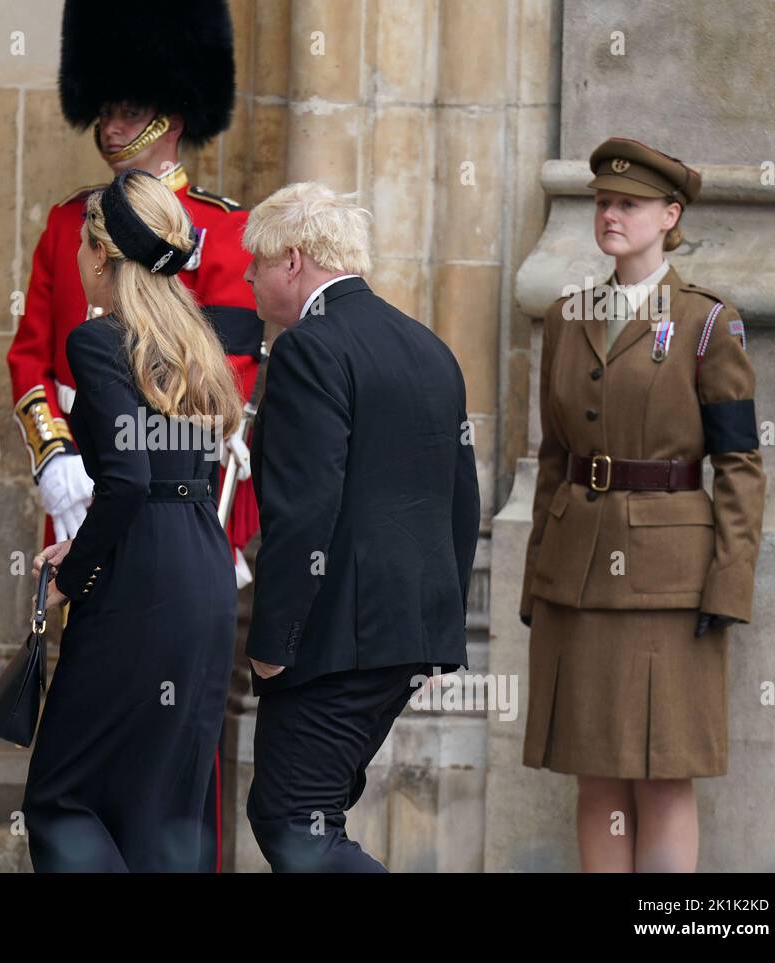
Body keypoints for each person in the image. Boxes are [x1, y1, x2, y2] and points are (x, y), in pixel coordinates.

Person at [7, 0, 260, 871]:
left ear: (172, 114)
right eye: (105, 106)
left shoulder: (224, 232)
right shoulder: (64, 222)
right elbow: (29, 360)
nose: (111, 124)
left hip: (177, 504)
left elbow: (234, 395)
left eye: (129, 108)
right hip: (86, 490)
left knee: (169, 752)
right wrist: (55, 463)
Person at [519, 137, 766, 872]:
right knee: (596, 769)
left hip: (668, 580)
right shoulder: (568, 317)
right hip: (578, 572)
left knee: (662, 771)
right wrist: (538, 574)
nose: (609, 215)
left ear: (670, 215)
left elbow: (740, 465)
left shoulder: (708, 323)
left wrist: (729, 581)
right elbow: (554, 460)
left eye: (627, 204)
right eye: (601, 202)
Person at [240, 183, 480, 872]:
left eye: (257, 262)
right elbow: (461, 498)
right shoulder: (429, 346)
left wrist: (272, 642)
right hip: (405, 630)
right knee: (312, 809)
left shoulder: (307, 348)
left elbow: (302, 510)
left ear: (293, 260)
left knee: (291, 819)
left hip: (336, 635)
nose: (248, 277)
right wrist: (441, 626)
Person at [22, 170, 241, 872]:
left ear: (101, 255)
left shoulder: (99, 342)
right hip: (202, 571)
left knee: (62, 799)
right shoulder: (195, 342)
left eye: (84, 249)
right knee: (162, 810)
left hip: (138, 580)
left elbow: (127, 478)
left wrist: (75, 573)